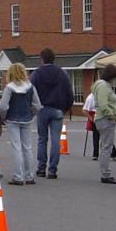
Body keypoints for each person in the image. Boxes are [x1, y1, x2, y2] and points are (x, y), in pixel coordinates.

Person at [30, 48, 74, 179]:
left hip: (42, 109)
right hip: (57, 109)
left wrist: (33, 107)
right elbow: (69, 93)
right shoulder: (62, 73)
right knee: (56, 140)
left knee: (42, 138)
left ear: (42, 59)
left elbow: (30, 90)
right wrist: (66, 108)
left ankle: (41, 167)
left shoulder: (37, 74)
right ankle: (52, 169)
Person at [0, 62, 41, 185]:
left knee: (16, 147)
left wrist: (4, 118)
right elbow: (37, 105)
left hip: (12, 119)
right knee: (27, 147)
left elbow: (3, 106)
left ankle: (18, 176)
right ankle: (29, 176)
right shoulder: (30, 86)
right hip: (27, 119)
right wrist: (31, 114)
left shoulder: (9, 87)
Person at [91, 64, 116, 185]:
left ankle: (105, 172)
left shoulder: (100, 85)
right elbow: (104, 104)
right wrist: (112, 116)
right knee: (106, 147)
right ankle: (105, 173)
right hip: (106, 119)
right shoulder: (104, 86)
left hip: (101, 118)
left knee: (104, 146)